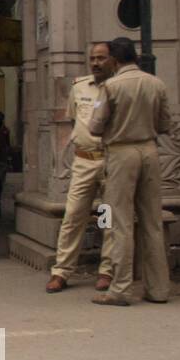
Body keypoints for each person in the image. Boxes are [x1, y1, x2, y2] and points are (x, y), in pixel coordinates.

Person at [88, 37, 171, 307]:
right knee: (152, 222)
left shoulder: (110, 86)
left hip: (121, 153)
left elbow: (95, 126)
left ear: (114, 59)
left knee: (120, 223)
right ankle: (158, 289)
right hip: (149, 151)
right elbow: (164, 123)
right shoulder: (156, 83)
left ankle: (120, 288)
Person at [47, 43, 118, 294]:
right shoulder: (79, 87)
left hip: (111, 161)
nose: (96, 63)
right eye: (92, 58)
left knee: (108, 217)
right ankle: (62, 271)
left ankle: (106, 270)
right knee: (73, 215)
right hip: (84, 161)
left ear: (112, 60)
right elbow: (73, 119)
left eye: (101, 58)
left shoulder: (119, 87)